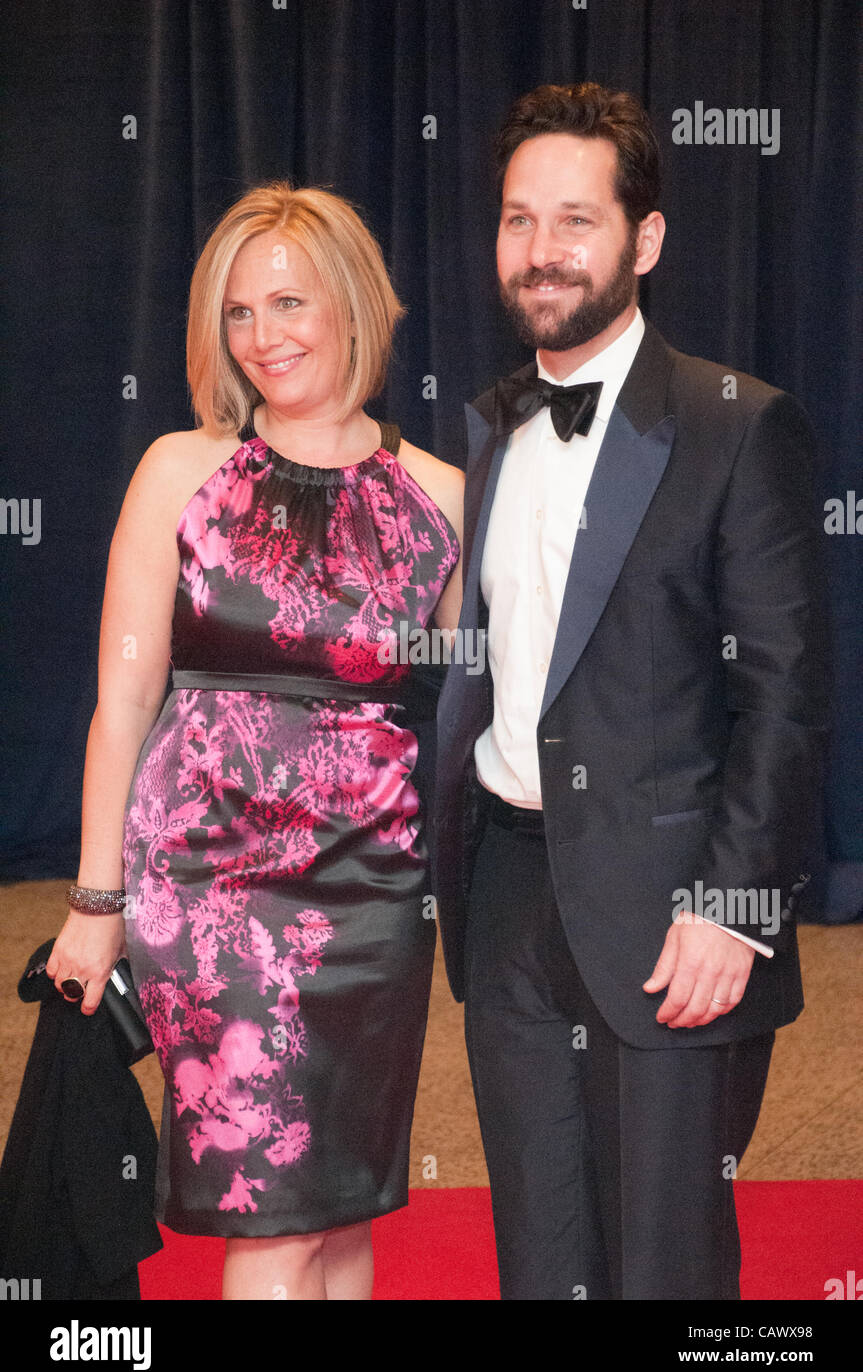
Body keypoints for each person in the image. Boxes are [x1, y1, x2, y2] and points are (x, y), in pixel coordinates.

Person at [431, 82, 829, 1300]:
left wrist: (729, 902)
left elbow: (785, 695)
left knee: (663, 1268)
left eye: (574, 220)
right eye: (515, 220)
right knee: (538, 1256)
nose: (540, 250)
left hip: (670, 920)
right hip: (504, 896)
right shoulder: (491, 428)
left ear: (642, 241)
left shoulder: (734, 426)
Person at [46, 181, 463, 1300]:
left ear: (354, 308)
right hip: (211, 891)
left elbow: (487, 714)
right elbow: (124, 699)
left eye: (288, 303)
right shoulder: (180, 472)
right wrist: (98, 906)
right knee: (270, 1221)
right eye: (238, 313)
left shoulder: (441, 500)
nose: (262, 336)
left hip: (374, 898)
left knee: (340, 1209)